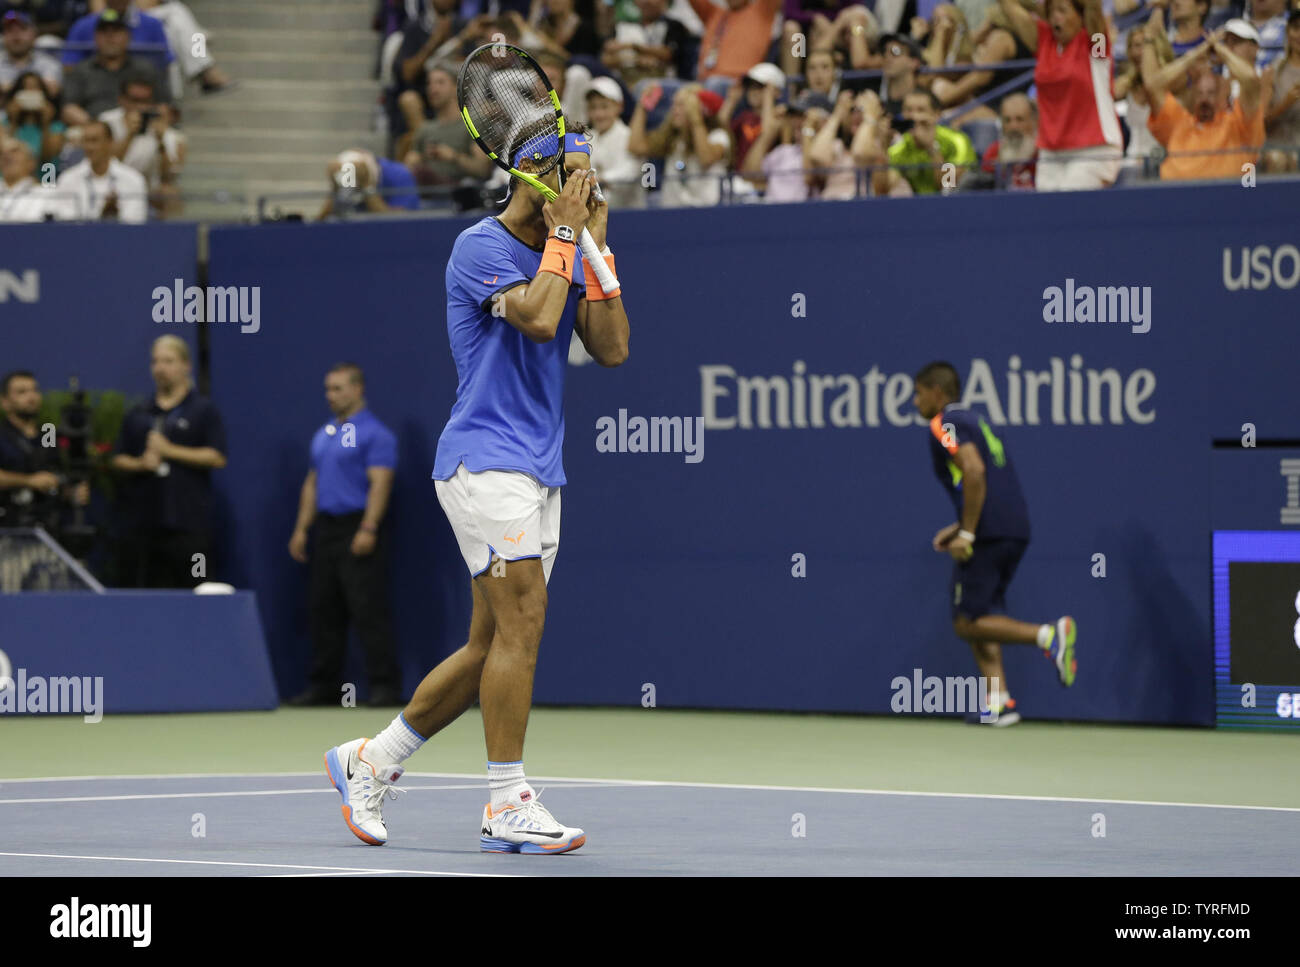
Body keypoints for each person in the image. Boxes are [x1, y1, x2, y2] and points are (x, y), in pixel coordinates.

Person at [323, 130, 629, 854]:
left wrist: (597, 250)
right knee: (525, 618)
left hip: (539, 469)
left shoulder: (571, 243)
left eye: (590, 180)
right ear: (530, 175)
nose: (584, 191)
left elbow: (612, 349)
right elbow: (539, 316)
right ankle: (506, 801)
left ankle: (372, 759)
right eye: (571, 177)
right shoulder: (478, 246)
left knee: (490, 642)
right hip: (483, 462)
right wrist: (565, 237)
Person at [913, 361, 1078, 726]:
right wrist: (959, 525)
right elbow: (986, 482)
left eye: (919, 392)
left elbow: (973, 470)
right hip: (1012, 527)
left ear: (937, 392)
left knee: (967, 621)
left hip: (987, 532)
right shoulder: (976, 421)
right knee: (982, 613)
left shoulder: (944, 424)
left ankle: (1048, 636)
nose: (915, 401)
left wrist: (969, 533)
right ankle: (999, 701)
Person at [288, 364, 402, 709]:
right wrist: (301, 529)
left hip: (358, 527)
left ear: (357, 389)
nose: (330, 395)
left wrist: (368, 527)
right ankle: (324, 687)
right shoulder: (323, 434)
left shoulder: (376, 434)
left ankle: (385, 687)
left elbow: (381, 482)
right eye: (327, 389)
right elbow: (312, 482)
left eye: (337, 389)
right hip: (326, 529)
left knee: (367, 610)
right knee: (324, 609)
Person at [110, 335, 227, 589]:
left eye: (168, 361)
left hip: (190, 526)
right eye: (155, 362)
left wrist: (169, 450)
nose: (160, 368)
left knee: (200, 588)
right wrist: (140, 464)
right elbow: (118, 459)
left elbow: (217, 457)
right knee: (152, 597)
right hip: (147, 526)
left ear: (186, 366)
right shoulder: (140, 412)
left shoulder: (203, 410)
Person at [997, 0, 1123, 190]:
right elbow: (1008, 4)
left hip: (1095, 148)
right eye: (1052, 12)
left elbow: (1093, 7)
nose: (1056, 16)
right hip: (1051, 151)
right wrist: (1038, 6)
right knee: (1047, 215)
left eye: (1063, 10)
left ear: (1079, 16)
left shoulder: (1096, 45)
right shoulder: (1045, 42)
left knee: (1070, 209)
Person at [1143, 27, 1264, 178]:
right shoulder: (1178, 122)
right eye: (1200, 93)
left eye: (1211, 93)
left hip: (1227, 196)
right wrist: (1197, 53)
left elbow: (1250, 79)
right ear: (1192, 96)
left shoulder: (1238, 125)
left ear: (1224, 95)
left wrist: (1220, 50)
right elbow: (1152, 86)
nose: (1204, 99)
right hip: (1176, 195)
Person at [0, 370, 89, 530]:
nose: (31, 397)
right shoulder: (3, 435)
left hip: (47, 527)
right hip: (8, 528)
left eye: (35, 390)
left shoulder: (48, 433)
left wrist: (70, 492)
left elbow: (54, 473)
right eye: (22, 392)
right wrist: (29, 481)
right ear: (4, 401)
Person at [629, 83, 731, 206]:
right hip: (672, 212)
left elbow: (706, 159)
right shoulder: (674, 139)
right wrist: (642, 107)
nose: (675, 110)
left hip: (707, 211)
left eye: (682, 105)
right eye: (674, 104)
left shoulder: (718, 135)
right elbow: (635, 147)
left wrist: (695, 120)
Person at [61, 9, 167, 126]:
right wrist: (99, 128)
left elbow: (164, 106)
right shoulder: (81, 70)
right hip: (94, 131)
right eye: (104, 31)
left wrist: (144, 118)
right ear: (95, 37)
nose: (110, 37)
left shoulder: (146, 69)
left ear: (128, 36)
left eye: (116, 31)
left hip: (139, 129)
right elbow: (68, 109)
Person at [54, 118, 148, 221]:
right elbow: (65, 221)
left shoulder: (133, 179)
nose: (89, 147)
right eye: (86, 141)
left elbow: (136, 221)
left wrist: (113, 217)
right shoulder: (68, 179)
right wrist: (101, 216)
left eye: (94, 141)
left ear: (110, 142)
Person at [886, 88, 976, 192]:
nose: (914, 116)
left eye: (921, 110)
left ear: (936, 115)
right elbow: (886, 188)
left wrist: (931, 148)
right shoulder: (899, 147)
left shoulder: (957, 141)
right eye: (908, 110)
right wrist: (884, 144)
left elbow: (948, 185)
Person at [687, 0, 785, 85]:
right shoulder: (714, 14)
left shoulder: (761, 12)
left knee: (714, 83)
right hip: (704, 81)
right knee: (672, 87)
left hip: (738, 84)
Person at [3, 71, 65, 170]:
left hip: (45, 178)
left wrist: (46, 124)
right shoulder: (4, 124)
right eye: (25, 88)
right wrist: (13, 120)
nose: (30, 92)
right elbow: (5, 155)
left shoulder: (56, 126)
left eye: (35, 88)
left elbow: (48, 159)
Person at [980, 91, 1038, 188]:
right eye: (1007, 120)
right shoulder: (993, 152)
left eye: (1019, 119)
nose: (1013, 126)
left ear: (1033, 121)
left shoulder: (1042, 154)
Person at [0, 9, 62, 94]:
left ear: (34, 34)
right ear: (3, 36)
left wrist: (7, 89)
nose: (16, 35)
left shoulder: (49, 64)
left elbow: (52, 92)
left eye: (22, 29)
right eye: (9, 30)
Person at [0, 136, 57, 221]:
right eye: (1, 153)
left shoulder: (47, 194)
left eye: (14, 151)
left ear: (31, 162)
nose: (6, 156)